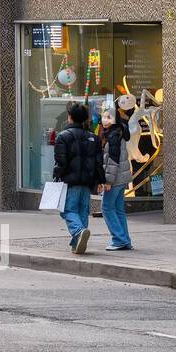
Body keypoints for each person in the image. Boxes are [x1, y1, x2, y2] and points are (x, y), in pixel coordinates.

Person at [53, 102, 105, 255]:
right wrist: (101, 180)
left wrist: (57, 175)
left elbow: (61, 161)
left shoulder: (63, 136)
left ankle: (79, 231)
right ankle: (78, 244)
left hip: (71, 181)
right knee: (82, 211)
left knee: (68, 210)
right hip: (87, 182)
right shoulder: (93, 138)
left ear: (70, 117)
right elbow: (98, 162)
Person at [100, 95, 135, 252]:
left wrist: (108, 181)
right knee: (118, 209)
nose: (105, 120)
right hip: (122, 178)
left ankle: (119, 239)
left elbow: (113, 160)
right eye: (104, 117)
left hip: (115, 179)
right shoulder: (119, 132)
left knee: (107, 208)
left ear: (115, 119)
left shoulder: (114, 135)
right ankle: (124, 239)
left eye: (109, 117)